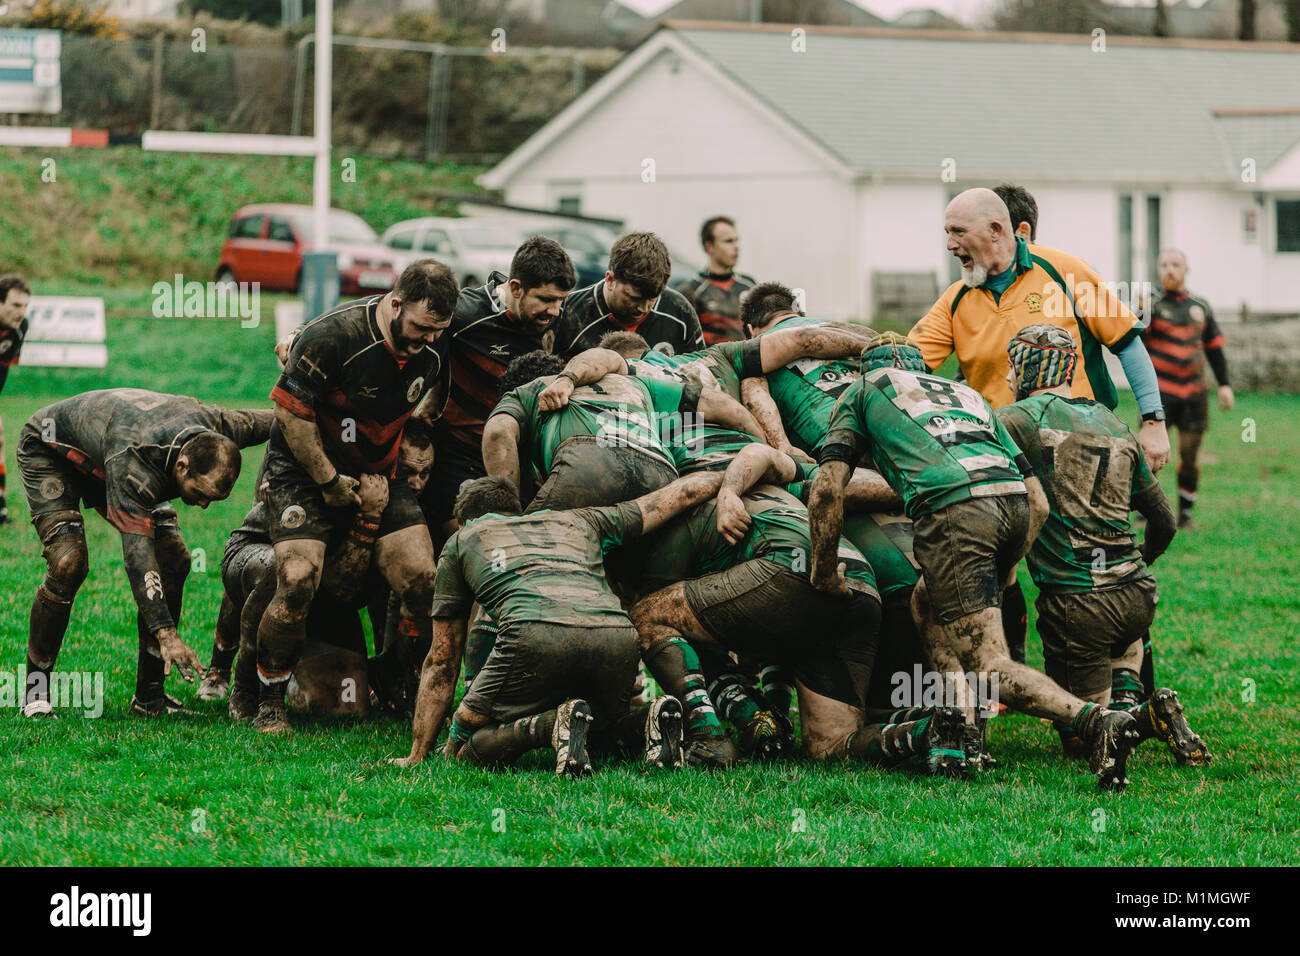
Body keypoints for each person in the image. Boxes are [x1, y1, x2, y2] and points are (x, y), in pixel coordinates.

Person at [809, 334, 1144, 792]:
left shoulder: (864, 388)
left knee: (989, 664)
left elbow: (827, 487)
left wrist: (824, 569)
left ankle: (1096, 720)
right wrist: (1007, 567)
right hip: (1013, 506)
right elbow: (1038, 500)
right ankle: (964, 730)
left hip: (957, 513)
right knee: (925, 603)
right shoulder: (969, 395)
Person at [390, 470, 730, 774]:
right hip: (615, 635)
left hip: (532, 634)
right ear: (517, 510)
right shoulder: (580, 520)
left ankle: (550, 726)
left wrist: (419, 753)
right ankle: (649, 717)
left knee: (468, 746)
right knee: (603, 732)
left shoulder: (463, 540)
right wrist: (735, 475)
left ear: (465, 520)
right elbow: (678, 496)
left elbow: (443, 658)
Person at [255, 260, 455, 733]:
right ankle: (269, 699)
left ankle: (395, 677)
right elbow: (291, 416)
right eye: (420, 328)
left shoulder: (434, 342)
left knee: (425, 581)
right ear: (395, 301)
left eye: (436, 332)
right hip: (304, 472)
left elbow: (432, 399)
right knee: (299, 577)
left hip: (379, 472)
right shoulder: (332, 336)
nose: (426, 340)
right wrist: (328, 482)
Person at [996, 324, 1211, 765]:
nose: (1007, 380)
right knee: (1118, 657)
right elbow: (1165, 523)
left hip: (1078, 606)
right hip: (1137, 593)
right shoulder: (1112, 421)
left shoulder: (1015, 420)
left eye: (1010, 368)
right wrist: (1132, 565)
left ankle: (1144, 718)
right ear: (1070, 368)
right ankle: (1136, 699)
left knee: (1083, 738)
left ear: (1021, 369)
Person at [16, 388, 271, 717]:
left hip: (109, 454)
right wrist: (167, 634)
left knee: (175, 558)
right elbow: (138, 557)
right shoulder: (136, 463)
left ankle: (150, 698)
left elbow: (280, 419)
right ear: (182, 467)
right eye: (201, 493)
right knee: (68, 562)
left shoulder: (217, 424)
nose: (205, 505)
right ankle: (35, 693)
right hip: (51, 450)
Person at [908, 187, 1171, 474]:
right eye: (947, 232)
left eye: (958, 232)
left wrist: (1153, 422)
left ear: (995, 230)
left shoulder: (1063, 270)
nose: (949, 244)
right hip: (1001, 454)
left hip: (1083, 445)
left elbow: (1127, 343)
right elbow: (907, 362)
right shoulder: (955, 299)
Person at [421, 237, 576, 542]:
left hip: (524, 455)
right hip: (461, 450)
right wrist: (302, 332)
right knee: (472, 543)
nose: (555, 310)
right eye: (546, 299)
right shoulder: (464, 315)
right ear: (515, 288)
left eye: (560, 300)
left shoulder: (560, 319)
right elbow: (395, 308)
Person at [1141, 249, 1233, 529]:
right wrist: (1139, 311)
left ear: (1186, 269)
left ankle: (1186, 513)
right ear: (1158, 270)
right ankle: (1146, 511)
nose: (1169, 270)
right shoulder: (1150, 304)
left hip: (1194, 394)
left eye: (1175, 265)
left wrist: (1225, 385)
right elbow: (1136, 346)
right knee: (1149, 456)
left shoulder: (1200, 305)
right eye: (1164, 265)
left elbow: (1215, 349)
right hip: (1160, 395)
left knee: (1190, 456)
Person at [737, 281, 876, 458]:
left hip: (836, 444)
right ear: (798, 313)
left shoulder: (753, 353)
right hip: (895, 419)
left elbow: (752, 392)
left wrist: (782, 447)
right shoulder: (847, 328)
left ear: (750, 330)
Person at [550, 232, 704, 359]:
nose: (643, 308)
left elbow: (702, 373)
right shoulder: (566, 312)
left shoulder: (679, 310)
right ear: (610, 280)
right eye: (634, 298)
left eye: (652, 298)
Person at [672, 216, 757, 344]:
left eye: (736, 240)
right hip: (710, 362)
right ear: (709, 246)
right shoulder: (690, 291)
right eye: (728, 241)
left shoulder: (749, 285)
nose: (736, 246)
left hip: (747, 360)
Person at [0, 273, 33, 525]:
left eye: (25, 305)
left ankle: (0, 509)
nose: (21, 312)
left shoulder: (20, 328)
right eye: (15, 305)